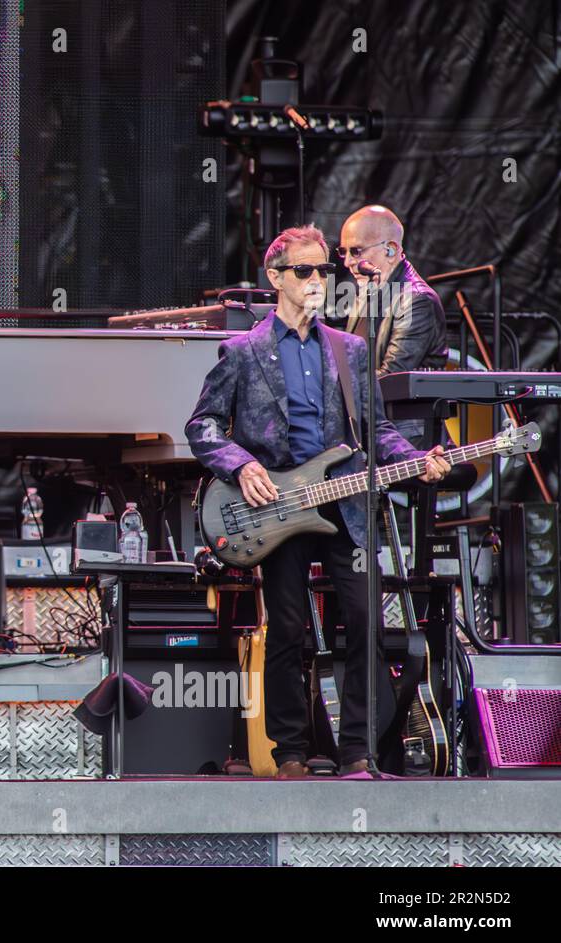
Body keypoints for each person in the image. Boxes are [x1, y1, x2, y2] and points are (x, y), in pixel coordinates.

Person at [185, 224, 450, 778]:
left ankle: (358, 751)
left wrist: (418, 457)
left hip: (343, 502)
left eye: (324, 270)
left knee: (365, 622)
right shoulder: (241, 351)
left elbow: (376, 430)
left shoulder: (348, 350)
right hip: (274, 506)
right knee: (286, 628)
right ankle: (291, 754)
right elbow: (203, 425)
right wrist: (244, 464)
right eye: (304, 270)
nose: (317, 280)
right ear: (276, 277)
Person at [338, 204, 449, 446]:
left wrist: (329, 387)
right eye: (343, 251)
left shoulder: (417, 300)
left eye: (356, 251)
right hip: (373, 424)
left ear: (391, 249)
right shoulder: (367, 290)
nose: (347, 262)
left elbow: (391, 378)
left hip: (406, 435)